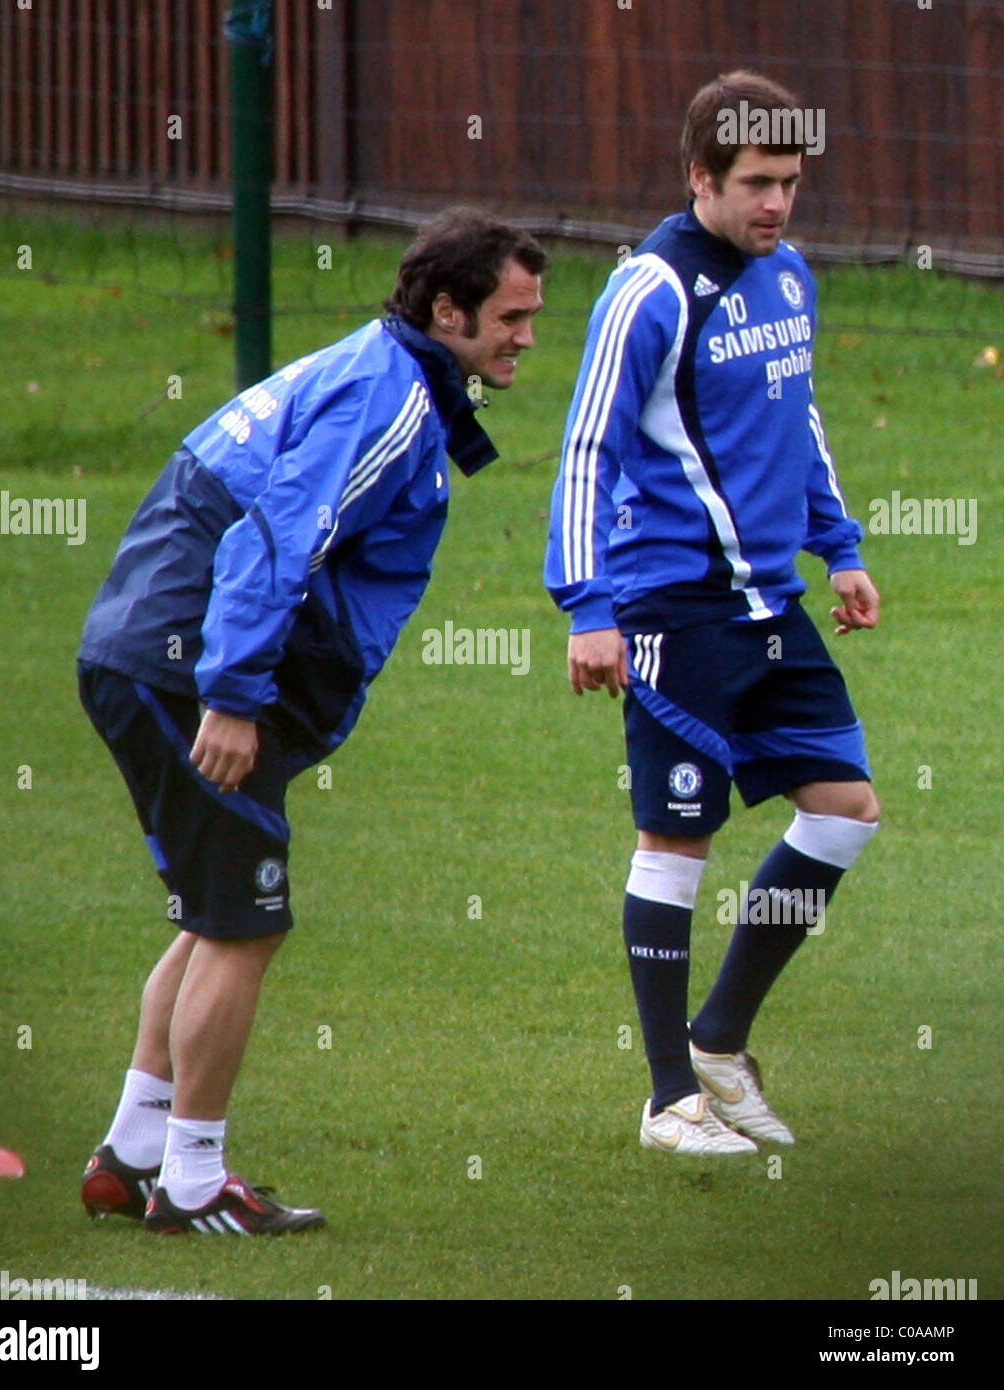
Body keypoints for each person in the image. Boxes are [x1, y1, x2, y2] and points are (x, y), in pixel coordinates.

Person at [78, 207, 546, 1233]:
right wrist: (232, 694)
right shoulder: (387, 401)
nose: (525, 336)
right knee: (247, 922)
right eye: (512, 317)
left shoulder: (384, 373)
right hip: (186, 668)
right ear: (449, 310)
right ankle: (193, 1182)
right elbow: (273, 541)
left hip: (149, 653)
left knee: (215, 914)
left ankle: (133, 1151)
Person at [545, 71, 880, 1156]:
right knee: (677, 839)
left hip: (769, 602)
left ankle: (720, 1040)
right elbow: (588, 448)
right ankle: (666, 1100)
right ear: (700, 177)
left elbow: (797, 416)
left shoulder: (790, 276)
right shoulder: (648, 290)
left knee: (844, 809)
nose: (777, 203)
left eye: (790, 182)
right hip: (673, 605)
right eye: (755, 184)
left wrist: (839, 544)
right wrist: (587, 605)